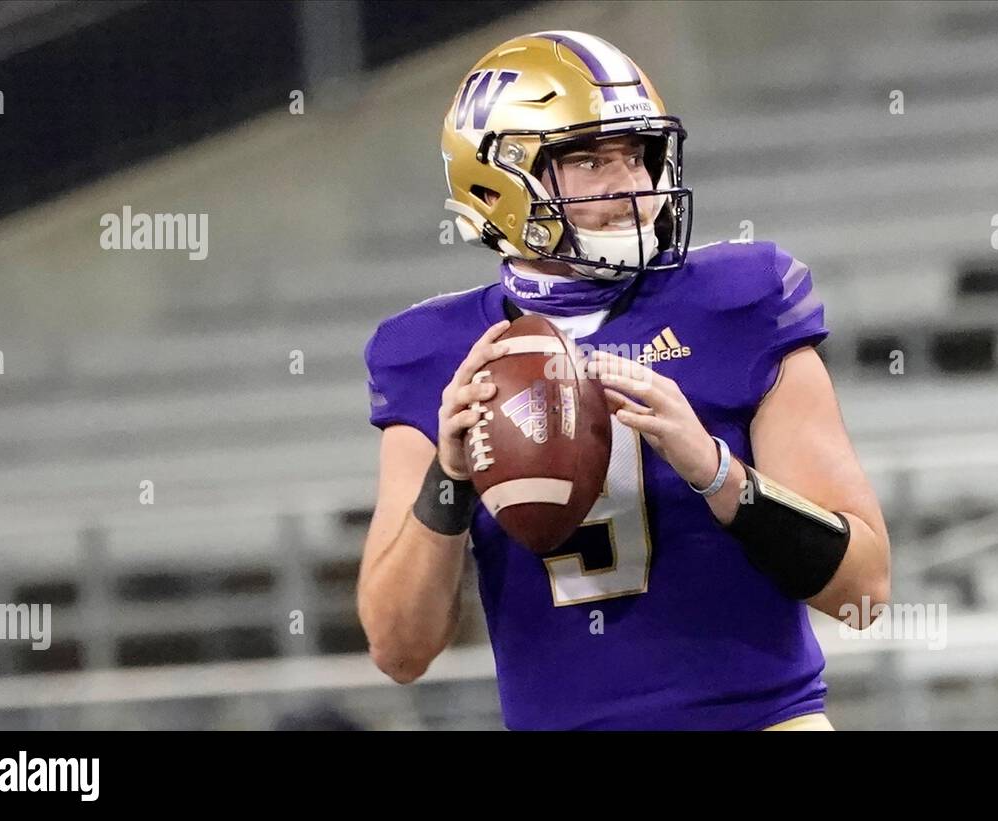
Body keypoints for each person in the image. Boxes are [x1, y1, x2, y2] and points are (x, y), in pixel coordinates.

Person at [357, 30, 890, 730]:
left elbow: (864, 591)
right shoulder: (438, 355)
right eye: (589, 161)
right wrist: (449, 478)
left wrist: (717, 473)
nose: (630, 185)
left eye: (636, 155)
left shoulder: (739, 303)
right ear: (498, 182)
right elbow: (399, 652)